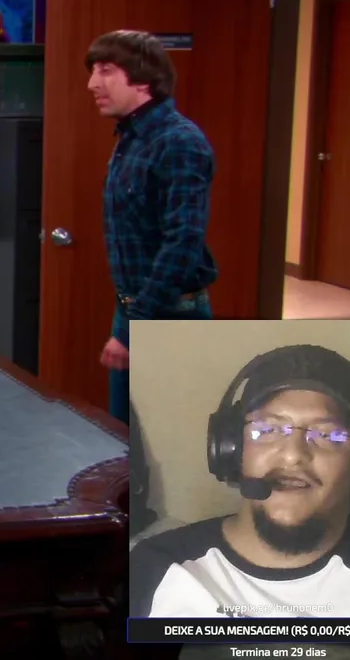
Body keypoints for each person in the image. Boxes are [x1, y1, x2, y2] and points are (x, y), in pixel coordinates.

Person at [129, 345, 350, 621]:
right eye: (267, 429)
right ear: (231, 449)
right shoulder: (151, 570)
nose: (293, 455)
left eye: (327, 435)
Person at [85, 30, 218, 424]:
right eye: (93, 71)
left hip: (169, 318)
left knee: (164, 443)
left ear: (143, 79)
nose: (93, 84)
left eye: (106, 71)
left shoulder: (179, 142)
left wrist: (134, 329)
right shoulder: (131, 138)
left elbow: (183, 243)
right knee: (125, 438)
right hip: (134, 310)